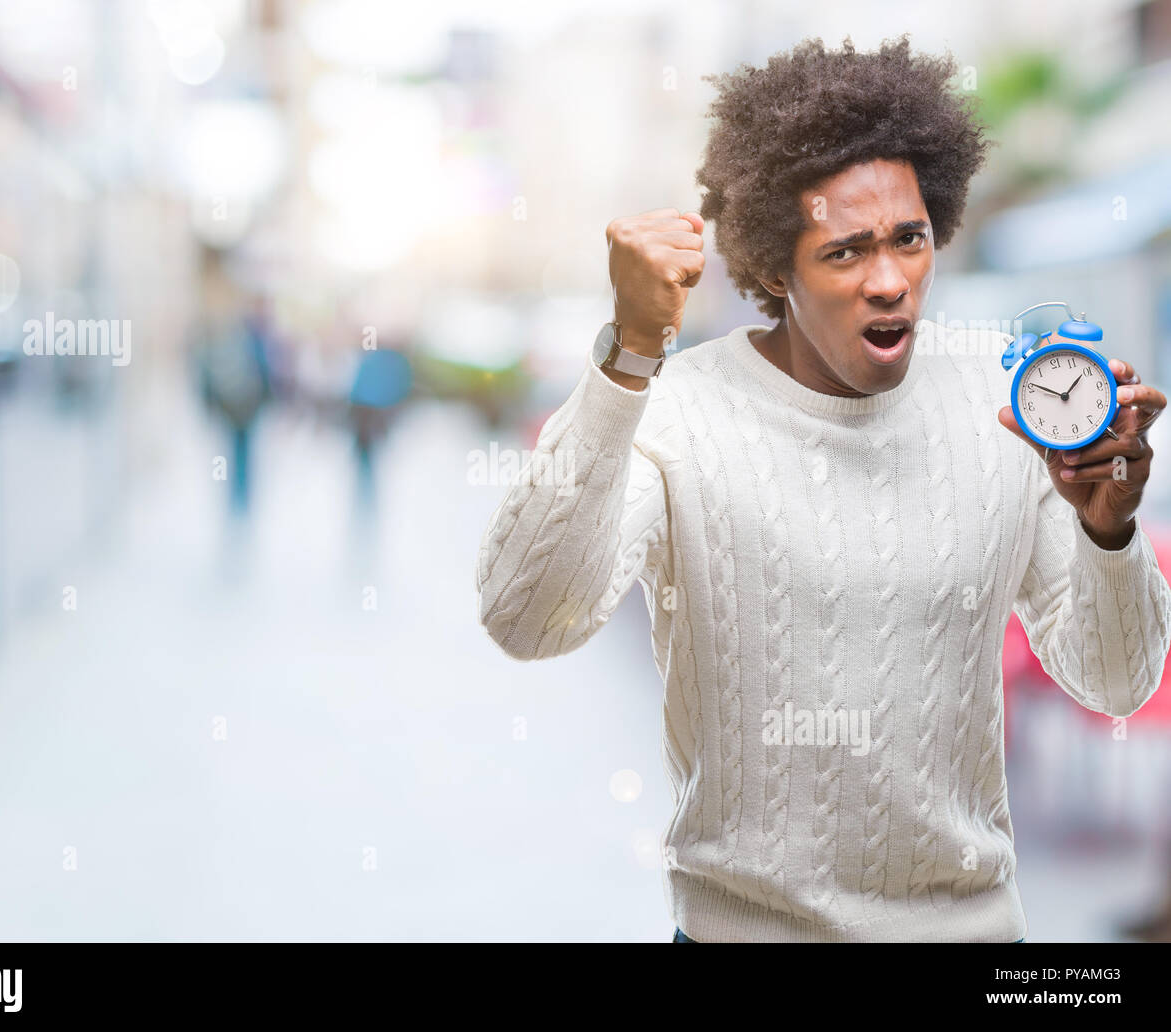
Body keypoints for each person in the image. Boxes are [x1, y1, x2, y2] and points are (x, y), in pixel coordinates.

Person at [474, 35, 1171, 943]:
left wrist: (1111, 536)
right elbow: (525, 618)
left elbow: (1118, 684)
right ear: (773, 269)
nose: (890, 282)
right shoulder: (680, 414)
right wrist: (628, 358)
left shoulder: (1004, 415)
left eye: (909, 240)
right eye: (845, 253)